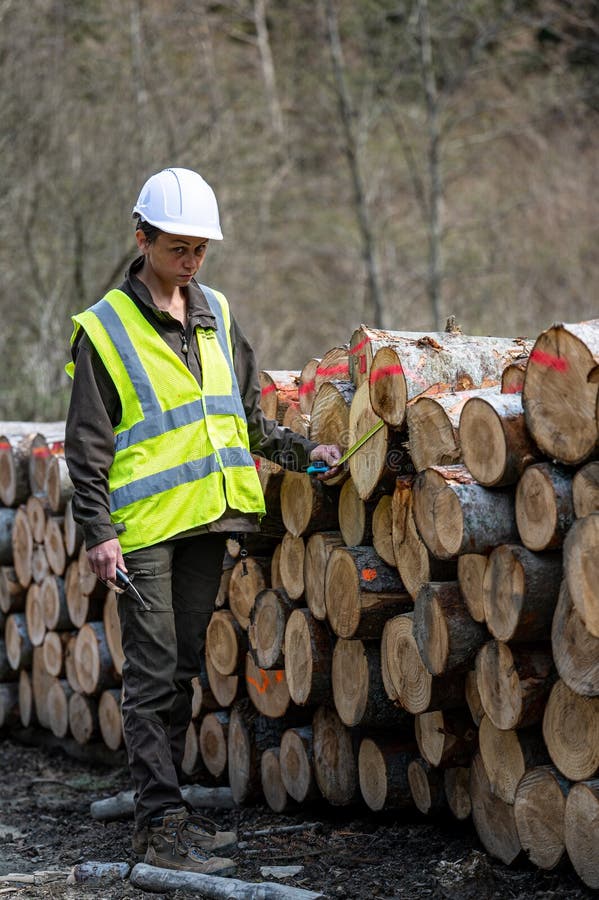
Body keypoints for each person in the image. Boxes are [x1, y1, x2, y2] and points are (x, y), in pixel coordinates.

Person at [64, 167, 340, 875]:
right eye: (178, 248)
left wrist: (307, 451)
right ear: (142, 237)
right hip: (144, 529)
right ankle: (158, 830)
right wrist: (98, 532)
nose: (190, 261)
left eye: (200, 250)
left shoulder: (215, 310)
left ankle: (171, 817)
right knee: (153, 675)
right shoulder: (105, 329)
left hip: (212, 517)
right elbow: (87, 446)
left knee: (182, 667)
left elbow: (242, 420)